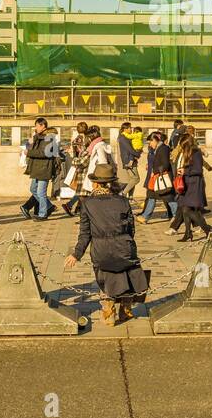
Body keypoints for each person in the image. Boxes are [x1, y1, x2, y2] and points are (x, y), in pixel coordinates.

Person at [65, 162, 150, 325]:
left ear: (96, 183)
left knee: (106, 279)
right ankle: (125, 310)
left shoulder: (88, 204)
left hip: (101, 251)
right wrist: (126, 242)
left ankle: (108, 312)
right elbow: (131, 228)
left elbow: (85, 234)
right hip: (124, 247)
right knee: (128, 274)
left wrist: (77, 254)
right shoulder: (123, 201)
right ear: (111, 183)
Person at [169, 133, 211, 242]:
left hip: (194, 185)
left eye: (183, 145)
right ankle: (188, 233)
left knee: (188, 210)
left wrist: (185, 171)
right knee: (184, 208)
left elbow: (198, 170)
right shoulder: (187, 152)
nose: (182, 148)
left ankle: (208, 230)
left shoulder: (196, 153)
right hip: (186, 184)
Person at [22, 117, 60, 219]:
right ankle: (49, 206)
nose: (36, 128)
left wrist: (29, 152)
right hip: (37, 167)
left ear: (43, 125)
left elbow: (45, 153)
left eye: (37, 126)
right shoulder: (39, 136)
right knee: (33, 189)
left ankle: (43, 214)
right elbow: (32, 146)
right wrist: (30, 143)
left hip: (44, 168)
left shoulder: (49, 137)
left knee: (40, 192)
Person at [141, 132, 176, 222]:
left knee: (169, 197)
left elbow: (165, 164)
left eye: (150, 142)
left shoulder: (163, 148)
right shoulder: (158, 148)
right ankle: (145, 216)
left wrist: (155, 171)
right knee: (152, 195)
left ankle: (176, 215)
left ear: (155, 140)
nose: (150, 145)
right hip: (157, 176)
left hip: (162, 176)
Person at [115, 121, 142, 202]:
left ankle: (130, 197)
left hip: (130, 160)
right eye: (130, 128)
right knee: (136, 179)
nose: (131, 129)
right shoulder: (123, 138)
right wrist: (137, 154)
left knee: (131, 179)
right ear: (125, 129)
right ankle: (123, 193)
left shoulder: (127, 137)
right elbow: (129, 149)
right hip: (128, 161)